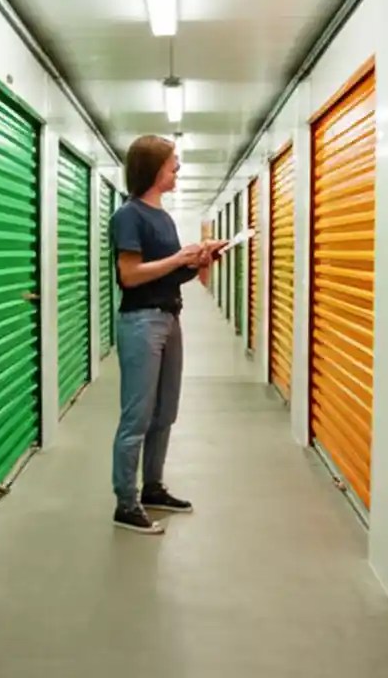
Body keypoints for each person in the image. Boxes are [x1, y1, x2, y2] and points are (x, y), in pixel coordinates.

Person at [109, 134, 227, 534]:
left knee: (165, 412)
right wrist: (179, 257)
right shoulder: (129, 216)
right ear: (154, 168)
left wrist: (200, 260)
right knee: (137, 416)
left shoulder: (164, 216)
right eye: (172, 161)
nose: (177, 168)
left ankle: (152, 488)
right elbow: (129, 276)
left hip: (169, 318)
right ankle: (125, 503)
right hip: (141, 322)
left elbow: (172, 275)